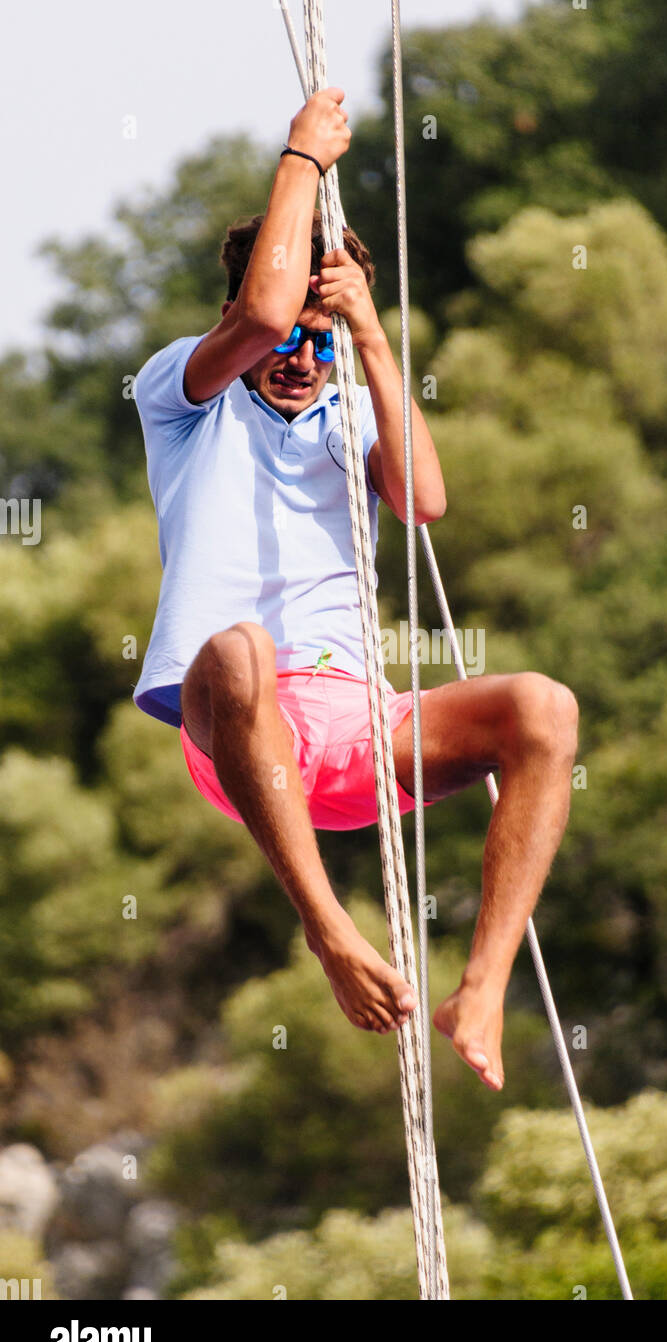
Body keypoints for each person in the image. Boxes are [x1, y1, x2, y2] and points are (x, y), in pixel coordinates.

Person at [133, 88, 578, 1092]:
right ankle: (331, 934)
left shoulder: (352, 409)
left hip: (358, 741)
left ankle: (480, 986)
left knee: (543, 706)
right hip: (243, 731)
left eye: (316, 342)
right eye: (290, 339)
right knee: (243, 645)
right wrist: (302, 156)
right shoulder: (184, 397)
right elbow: (259, 313)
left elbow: (421, 502)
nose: (298, 356)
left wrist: (369, 338)